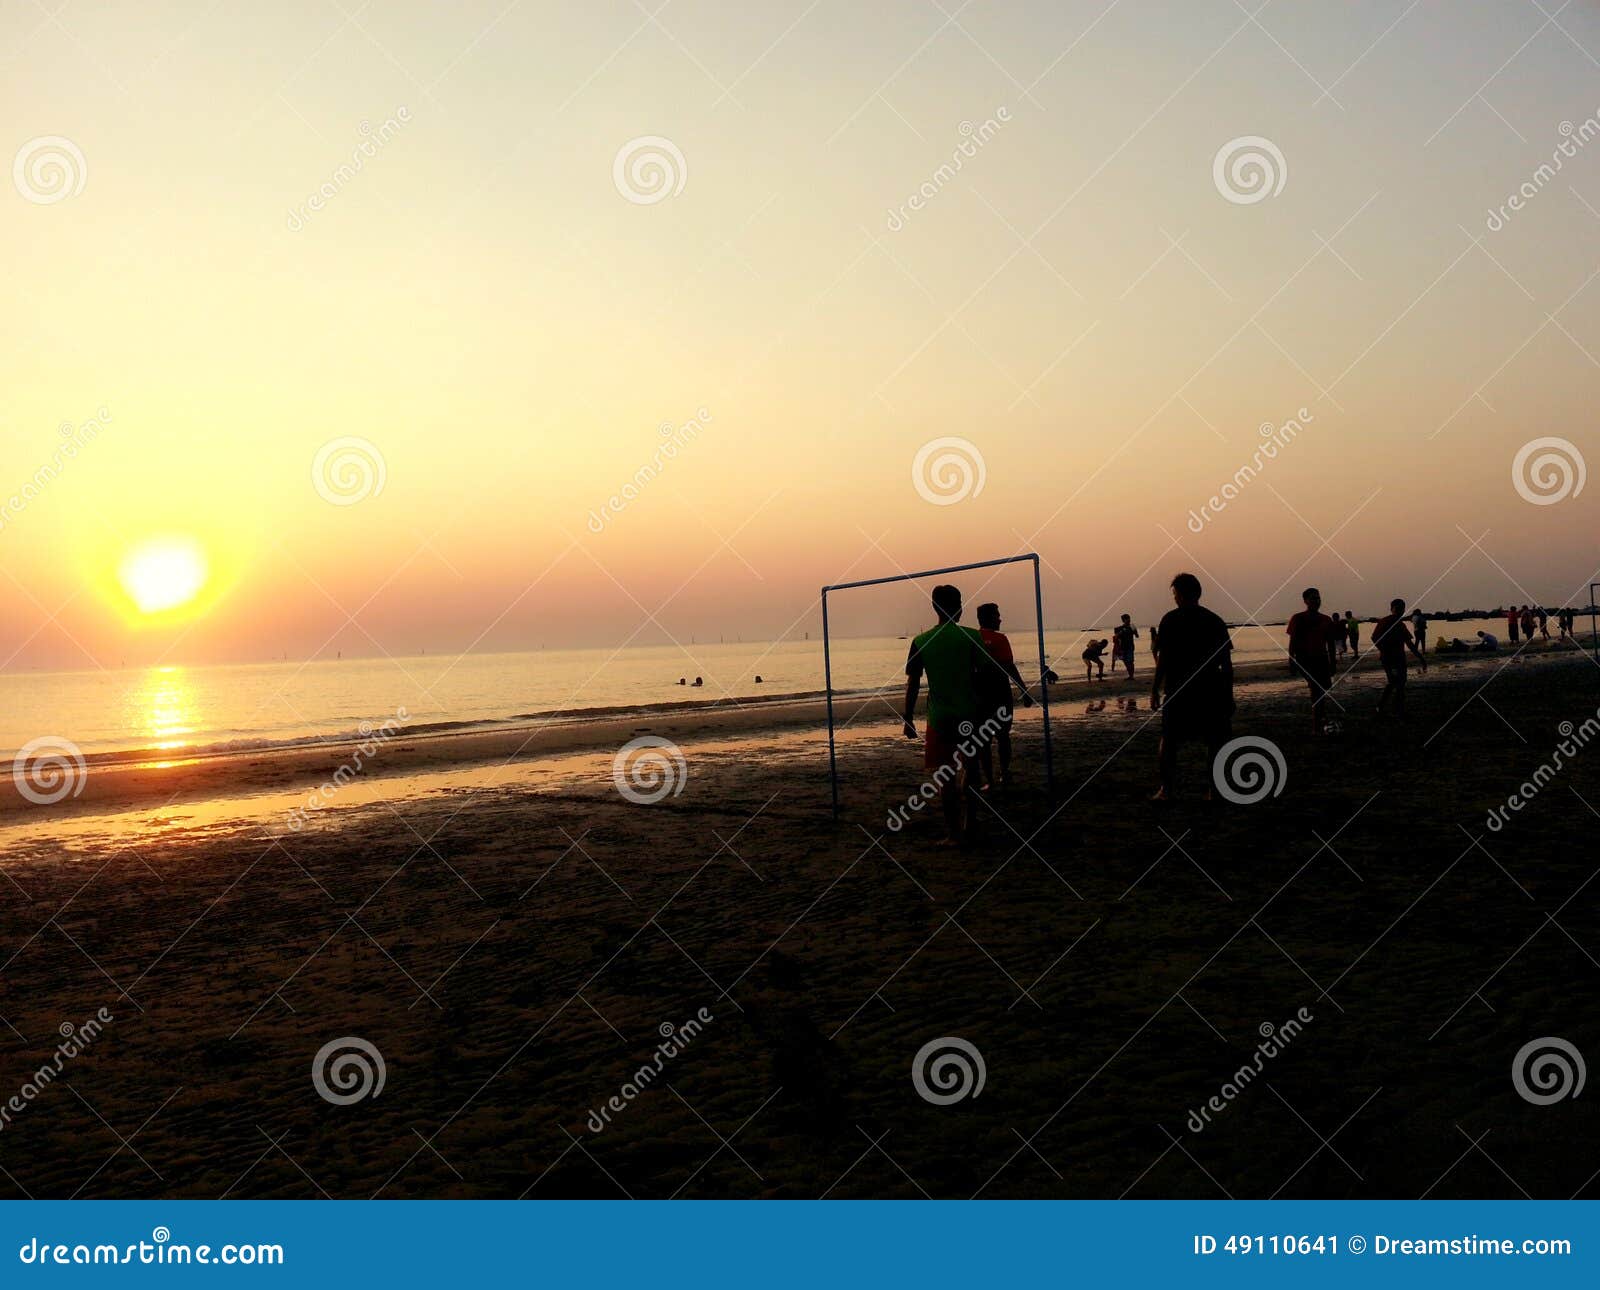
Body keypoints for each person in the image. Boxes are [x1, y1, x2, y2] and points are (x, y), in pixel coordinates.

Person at [903, 585, 990, 842]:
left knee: (946, 777)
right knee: (971, 771)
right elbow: (984, 677)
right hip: (969, 715)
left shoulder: (921, 641)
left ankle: (954, 834)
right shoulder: (972, 637)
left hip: (940, 718)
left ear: (934, 607)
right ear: (959, 606)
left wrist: (908, 717)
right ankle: (970, 824)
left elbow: (913, 683)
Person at [1150, 573, 1234, 801]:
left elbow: (1164, 659)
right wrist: (1229, 694)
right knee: (1213, 741)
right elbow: (1226, 664)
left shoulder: (1171, 620)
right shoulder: (1214, 620)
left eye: (1175, 594)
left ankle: (1167, 790)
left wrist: (1155, 688)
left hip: (1183, 689)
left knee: (1170, 740)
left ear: (1183, 594)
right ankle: (1213, 790)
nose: (1175, 598)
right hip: (1208, 689)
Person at [974, 602, 1035, 789]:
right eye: (997, 616)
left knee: (984, 740)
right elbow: (1009, 667)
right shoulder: (999, 639)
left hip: (980, 696)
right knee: (1002, 736)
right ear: (988, 618)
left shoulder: (972, 638)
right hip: (999, 694)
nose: (1000, 619)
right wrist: (1024, 690)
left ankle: (991, 779)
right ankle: (1004, 773)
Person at [1286, 587, 1341, 732]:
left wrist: (1333, 662)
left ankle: (1320, 718)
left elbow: (1330, 643)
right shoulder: (1298, 618)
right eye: (1313, 598)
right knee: (1316, 689)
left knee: (1322, 690)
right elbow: (1293, 641)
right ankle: (1317, 724)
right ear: (1305, 601)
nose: (1316, 601)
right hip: (1305, 659)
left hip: (1322, 658)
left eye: (1318, 598)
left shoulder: (1326, 619)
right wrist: (1291, 660)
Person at [1372, 598, 1428, 716]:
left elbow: (1409, 644)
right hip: (1389, 659)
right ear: (1392, 609)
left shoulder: (1400, 625)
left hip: (1398, 658)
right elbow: (1374, 638)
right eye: (1397, 608)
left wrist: (1421, 658)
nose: (1400, 611)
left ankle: (1392, 708)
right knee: (1396, 682)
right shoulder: (1385, 622)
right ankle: (1389, 707)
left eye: (1402, 608)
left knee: (1398, 683)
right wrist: (1384, 650)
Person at [1111, 614, 1139, 679]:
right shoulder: (1119, 628)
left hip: (1130, 647)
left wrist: (1135, 632)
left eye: (1129, 618)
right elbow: (1115, 638)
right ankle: (1130, 675)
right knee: (1125, 662)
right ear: (1123, 620)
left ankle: (1131, 676)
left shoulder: (1132, 627)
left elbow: (1137, 636)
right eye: (1127, 619)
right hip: (1122, 647)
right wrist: (1120, 632)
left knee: (1130, 661)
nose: (1129, 620)